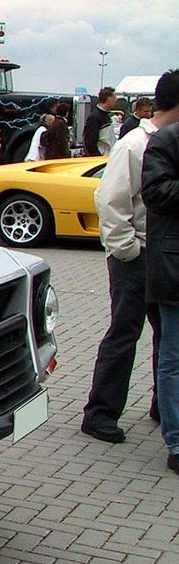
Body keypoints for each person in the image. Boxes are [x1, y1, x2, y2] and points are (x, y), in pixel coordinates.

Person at [81, 79, 174, 443]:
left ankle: (163, 405)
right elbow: (110, 200)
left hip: (161, 253)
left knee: (167, 334)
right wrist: (128, 249)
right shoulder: (134, 145)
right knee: (124, 333)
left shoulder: (166, 142)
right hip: (135, 254)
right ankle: (100, 413)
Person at [137, 70, 179, 473]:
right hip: (173, 268)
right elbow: (156, 193)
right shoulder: (164, 141)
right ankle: (177, 442)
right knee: (173, 358)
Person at [83, 86, 117, 156]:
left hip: (109, 156)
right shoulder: (94, 117)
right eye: (114, 98)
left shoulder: (106, 115)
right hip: (102, 158)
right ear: (109, 99)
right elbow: (89, 143)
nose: (115, 101)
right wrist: (98, 158)